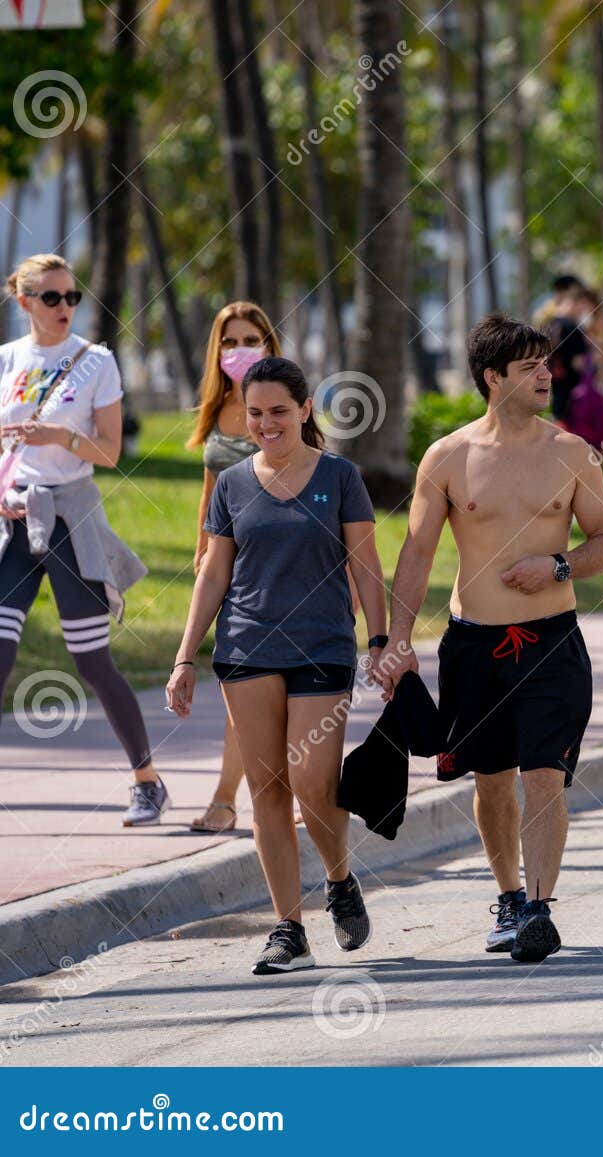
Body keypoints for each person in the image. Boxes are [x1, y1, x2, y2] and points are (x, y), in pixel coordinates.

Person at [379, 315, 603, 964]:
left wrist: (558, 564)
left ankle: (540, 910)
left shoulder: (571, 453)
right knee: (490, 783)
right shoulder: (449, 457)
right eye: (530, 366)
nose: (547, 374)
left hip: (552, 644)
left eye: (547, 363)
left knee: (545, 775)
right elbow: (418, 552)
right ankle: (510, 896)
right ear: (494, 378)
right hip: (473, 648)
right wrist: (395, 639)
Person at [166, 356, 388, 976]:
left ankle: (339, 880)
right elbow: (214, 572)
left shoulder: (340, 476)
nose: (266, 424)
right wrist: (186, 655)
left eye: (279, 412)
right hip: (246, 647)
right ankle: (288, 928)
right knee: (267, 789)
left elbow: (365, 565)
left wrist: (381, 639)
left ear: (305, 409)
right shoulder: (234, 482)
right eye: (256, 413)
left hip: (322, 646)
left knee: (315, 783)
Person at [0, 254, 166, 827]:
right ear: (24, 302)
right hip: (13, 520)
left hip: (70, 518)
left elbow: (111, 452)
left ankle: (147, 781)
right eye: (51, 298)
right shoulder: (5, 360)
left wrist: (61, 436)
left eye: (71, 297)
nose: (64, 308)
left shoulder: (95, 362)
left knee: (91, 660)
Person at [183, 301, 279, 834]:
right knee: (239, 686)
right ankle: (229, 799)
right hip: (227, 569)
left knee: (269, 688)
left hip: (276, 566)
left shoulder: (282, 404)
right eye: (229, 340)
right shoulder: (217, 409)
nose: (240, 350)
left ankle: (236, 797)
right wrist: (202, 550)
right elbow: (210, 489)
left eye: (251, 339)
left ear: (268, 343)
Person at [542, 279, 593, 425]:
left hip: (555, 391)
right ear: (580, 302)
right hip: (574, 397)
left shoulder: (547, 324)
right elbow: (578, 363)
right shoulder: (572, 327)